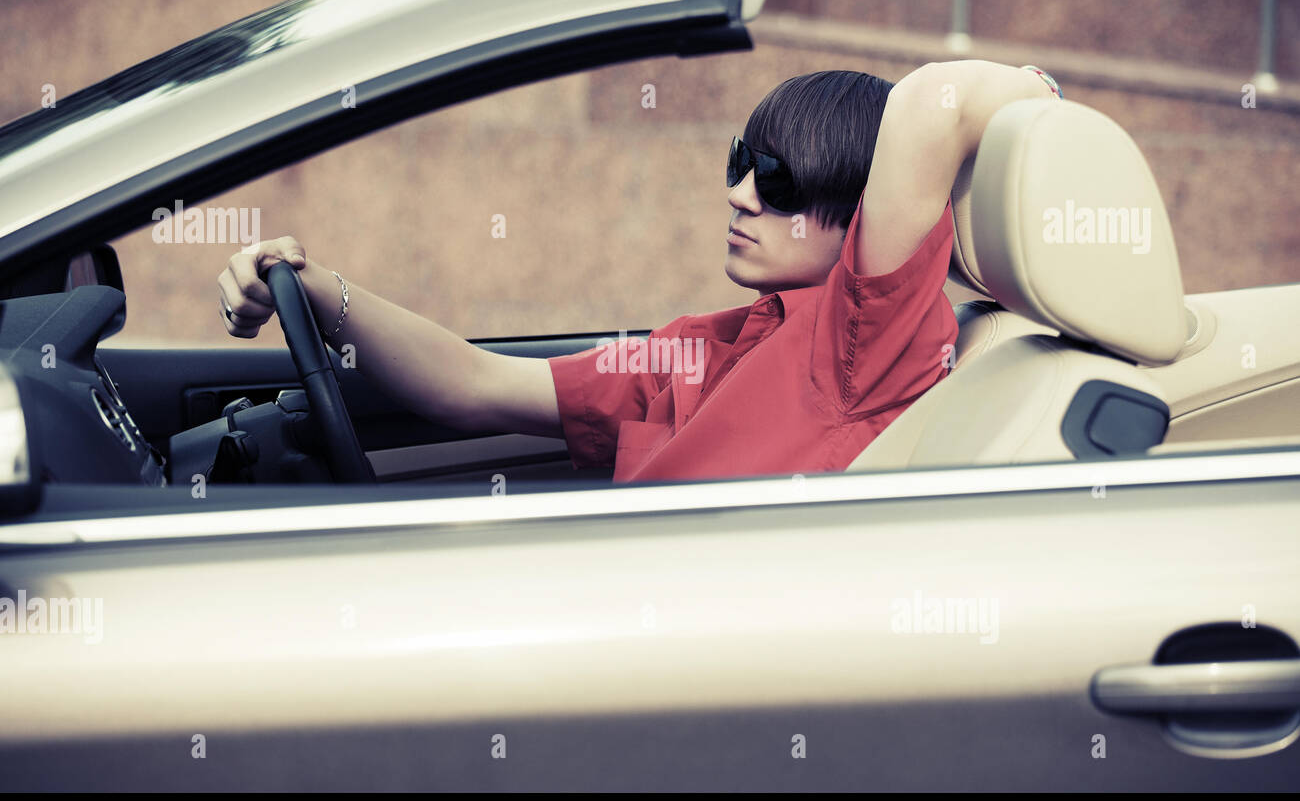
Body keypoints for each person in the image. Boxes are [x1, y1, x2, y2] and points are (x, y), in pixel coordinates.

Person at [218, 60, 1063, 482]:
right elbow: (476, 384)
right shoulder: (699, 349)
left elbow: (928, 109)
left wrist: (1039, 97)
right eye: (741, 161)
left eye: (778, 179)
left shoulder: (865, 342)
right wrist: (321, 288)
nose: (737, 193)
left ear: (860, 214)